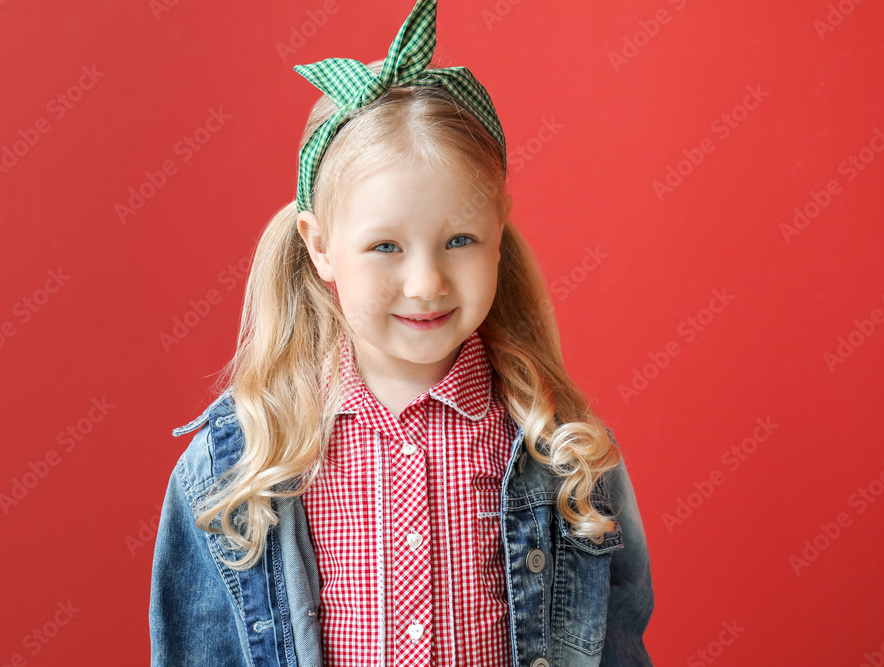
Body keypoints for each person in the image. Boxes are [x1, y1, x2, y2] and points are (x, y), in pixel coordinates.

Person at [149, 0, 654, 664]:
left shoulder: (561, 453)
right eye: (385, 246)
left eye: (460, 240)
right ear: (320, 246)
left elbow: (616, 640)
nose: (425, 282)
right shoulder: (240, 465)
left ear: (498, 230)